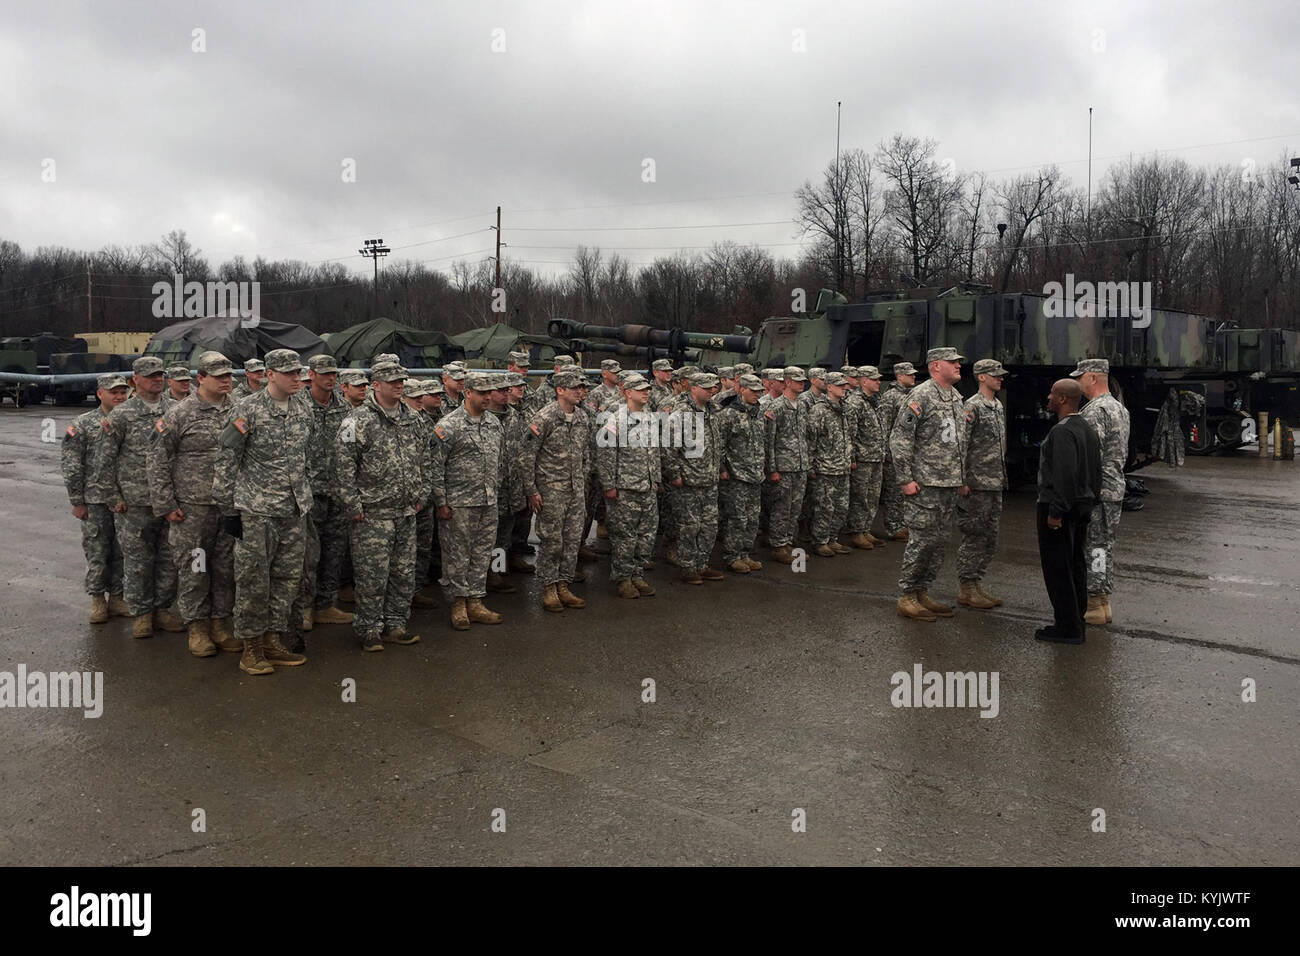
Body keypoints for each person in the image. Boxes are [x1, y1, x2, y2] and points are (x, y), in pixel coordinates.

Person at [211, 348, 312, 674]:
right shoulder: (247, 410)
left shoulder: (303, 406)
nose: (297, 378)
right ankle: (251, 648)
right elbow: (226, 458)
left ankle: (273, 638)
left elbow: (304, 456)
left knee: (286, 579)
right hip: (256, 510)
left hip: (294, 509)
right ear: (270, 374)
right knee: (254, 581)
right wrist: (227, 509)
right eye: (290, 373)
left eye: (299, 372)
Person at [147, 351, 242, 657]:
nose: (226, 381)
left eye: (229, 375)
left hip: (229, 504)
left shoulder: (240, 409)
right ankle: (197, 628)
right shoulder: (180, 413)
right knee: (195, 567)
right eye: (219, 376)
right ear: (200, 378)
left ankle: (220, 624)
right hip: (193, 508)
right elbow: (157, 458)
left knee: (226, 567)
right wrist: (165, 502)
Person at [335, 361, 432, 649]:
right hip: (372, 514)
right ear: (376, 385)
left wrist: (421, 495)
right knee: (371, 575)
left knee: (403, 572)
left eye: (401, 380)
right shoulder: (356, 421)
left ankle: (396, 624)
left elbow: (425, 460)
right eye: (392, 381)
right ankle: (369, 629)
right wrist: (353, 506)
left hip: (405, 511)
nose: (399, 385)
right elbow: (342, 467)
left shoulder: (414, 419)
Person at [102, 356, 183, 638]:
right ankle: (142, 614)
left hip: (170, 500)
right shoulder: (122, 415)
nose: (156, 379)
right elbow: (105, 459)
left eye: (160, 374)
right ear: (135, 380)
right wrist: (113, 496)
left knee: (168, 558)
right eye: (150, 376)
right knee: (137, 560)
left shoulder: (175, 409)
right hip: (134, 501)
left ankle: (162, 610)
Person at [890, 348, 967, 622]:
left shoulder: (956, 398)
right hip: (925, 485)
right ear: (936, 365)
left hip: (948, 484)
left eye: (959, 362)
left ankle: (922, 592)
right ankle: (907, 596)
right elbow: (900, 439)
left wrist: (960, 478)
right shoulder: (921, 395)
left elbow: (959, 443)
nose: (959, 365)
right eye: (953, 362)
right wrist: (906, 479)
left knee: (938, 542)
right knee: (921, 541)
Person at [291, 353, 355, 643]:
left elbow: (351, 449)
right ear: (311, 375)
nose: (330, 378)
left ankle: (326, 603)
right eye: (324, 374)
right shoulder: (297, 406)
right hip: (308, 491)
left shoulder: (346, 409)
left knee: (334, 550)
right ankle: (304, 606)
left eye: (334, 374)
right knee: (308, 554)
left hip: (338, 491)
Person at [62, 373, 132, 623]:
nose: (119, 396)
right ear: (100, 393)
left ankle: (117, 597)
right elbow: (71, 464)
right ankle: (97, 599)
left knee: (121, 551)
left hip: (125, 499)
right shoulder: (82, 423)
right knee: (97, 550)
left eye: (123, 392)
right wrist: (77, 500)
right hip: (95, 499)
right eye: (113, 392)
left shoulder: (131, 420)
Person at [1036, 378, 1102, 644]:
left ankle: (1067, 627)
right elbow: (1096, 471)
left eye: (1052, 393)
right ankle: (1077, 620)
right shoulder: (1087, 427)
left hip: (1060, 507)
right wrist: (1091, 501)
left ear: (1063, 399)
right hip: (1083, 505)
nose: (1049, 397)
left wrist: (1056, 512)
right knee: (1076, 565)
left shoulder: (1062, 432)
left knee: (1058, 568)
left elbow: (1065, 473)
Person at [520, 369, 589, 612]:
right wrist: (531, 490)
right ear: (560, 390)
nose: (581, 391)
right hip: (551, 491)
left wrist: (582, 481)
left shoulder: (582, 417)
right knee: (552, 540)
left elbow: (584, 454)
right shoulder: (544, 418)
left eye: (582, 387)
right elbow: (527, 456)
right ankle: (548, 587)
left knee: (571, 541)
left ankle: (563, 584)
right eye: (575, 388)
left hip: (575, 489)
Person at [1074, 358, 1131, 625]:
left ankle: (1094, 601)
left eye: (1080, 377)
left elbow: (1090, 456)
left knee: (1094, 546)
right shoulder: (1119, 409)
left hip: (1097, 491)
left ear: (1093, 378)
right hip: (1114, 488)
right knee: (1106, 545)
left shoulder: (1095, 411)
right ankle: (1104, 600)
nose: (1078, 382)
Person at [595, 374, 660, 597]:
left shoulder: (650, 417)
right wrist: (609, 486)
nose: (646, 392)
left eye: (647, 389)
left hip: (647, 486)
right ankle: (623, 579)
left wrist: (656, 479)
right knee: (625, 537)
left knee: (647, 535)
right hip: (625, 488)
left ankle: (637, 574)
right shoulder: (615, 420)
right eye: (640, 389)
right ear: (628, 392)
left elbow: (654, 452)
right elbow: (605, 456)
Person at [956, 359, 1010, 610]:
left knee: (990, 537)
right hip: (976, 483)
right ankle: (966, 587)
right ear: (981, 377)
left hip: (995, 481)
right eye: (995, 375)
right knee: (974, 536)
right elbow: (961, 445)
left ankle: (976, 583)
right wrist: (962, 480)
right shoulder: (972, 406)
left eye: (1001, 375)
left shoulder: (997, 405)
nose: (1000, 378)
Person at [663, 372, 723, 584]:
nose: (711, 390)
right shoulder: (681, 414)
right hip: (689, 481)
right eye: (706, 387)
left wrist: (718, 469)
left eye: (712, 387)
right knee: (689, 527)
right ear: (693, 388)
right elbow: (669, 447)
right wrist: (675, 474)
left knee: (709, 526)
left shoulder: (713, 411)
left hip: (709, 479)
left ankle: (702, 564)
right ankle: (688, 567)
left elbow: (717, 445)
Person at [716, 373, 766, 573]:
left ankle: (745, 553)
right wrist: (723, 469)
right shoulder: (728, 415)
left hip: (755, 474)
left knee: (753, 518)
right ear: (742, 389)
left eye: (759, 391)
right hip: (736, 476)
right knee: (737, 518)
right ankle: (732, 555)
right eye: (753, 391)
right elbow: (719, 445)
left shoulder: (758, 413)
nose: (757, 395)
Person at [764, 366, 810, 565]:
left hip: (800, 466)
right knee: (781, 508)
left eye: (803, 381)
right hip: (783, 467)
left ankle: (788, 542)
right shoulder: (776, 407)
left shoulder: (801, 406)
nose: (801, 384)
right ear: (787, 382)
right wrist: (772, 468)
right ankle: (778, 545)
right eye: (797, 380)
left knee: (795, 508)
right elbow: (769, 440)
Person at [807, 371, 853, 556]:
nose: (844, 388)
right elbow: (811, 440)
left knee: (841, 507)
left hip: (842, 467)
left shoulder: (844, 409)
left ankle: (833, 538)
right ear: (829, 387)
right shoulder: (819, 410)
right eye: (840, 385)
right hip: (825, 468)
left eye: (845, 385)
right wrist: (811, 466)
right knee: (825, 508)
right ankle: (820, 541)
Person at [844, 366, 885, 549]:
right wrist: (851, 458)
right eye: (874, 379)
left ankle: (866, 529)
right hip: (862, 458)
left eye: (878, 379)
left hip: (876, 456)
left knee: (872, 496)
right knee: (860, 497)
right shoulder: (855, 403)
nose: (878, 382)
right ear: (864, 381)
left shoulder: (874, 401)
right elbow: (850, 433)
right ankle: (857, 532)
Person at [879, 361, 917, 541]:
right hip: (895, 452)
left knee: (906, 493)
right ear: (899, 376)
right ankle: (894, 527)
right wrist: (887, 452)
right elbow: (884, 426)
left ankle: (903, 523)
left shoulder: (913, 395)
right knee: (894, 493)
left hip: (909, 452)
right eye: (909, 374)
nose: (913, 376)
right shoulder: (890, 396)